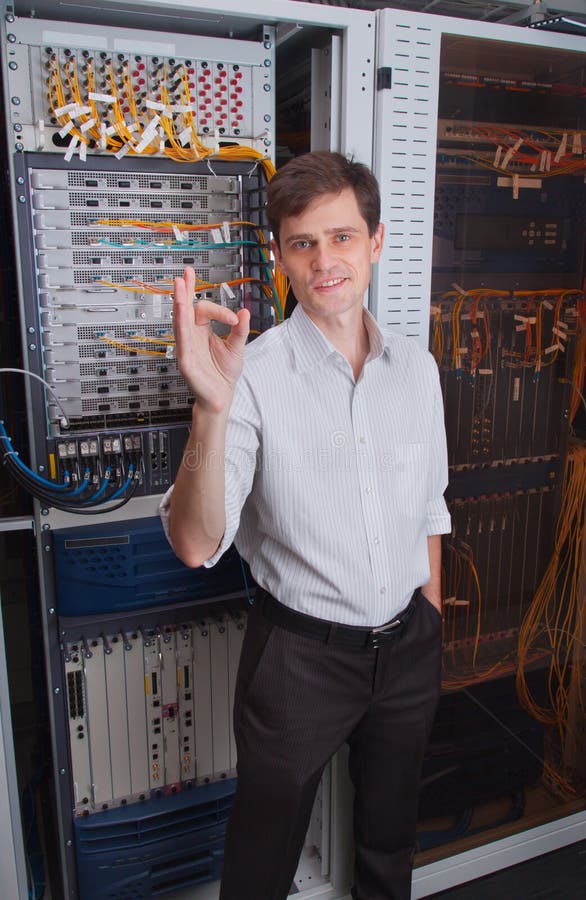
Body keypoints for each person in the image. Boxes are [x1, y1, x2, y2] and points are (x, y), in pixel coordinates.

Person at [160, 150, 451, 900]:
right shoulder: (247, 377)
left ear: (376, 241)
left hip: (407, 649)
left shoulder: (419, 372)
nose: (325, 261)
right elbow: (194, 544)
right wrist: (210, 407)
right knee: (263, 860)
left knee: (390, 845)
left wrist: (429, 619)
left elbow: (429, 510)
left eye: (342, 237)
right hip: (300, 660)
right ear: (281, 257)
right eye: (303, 243)